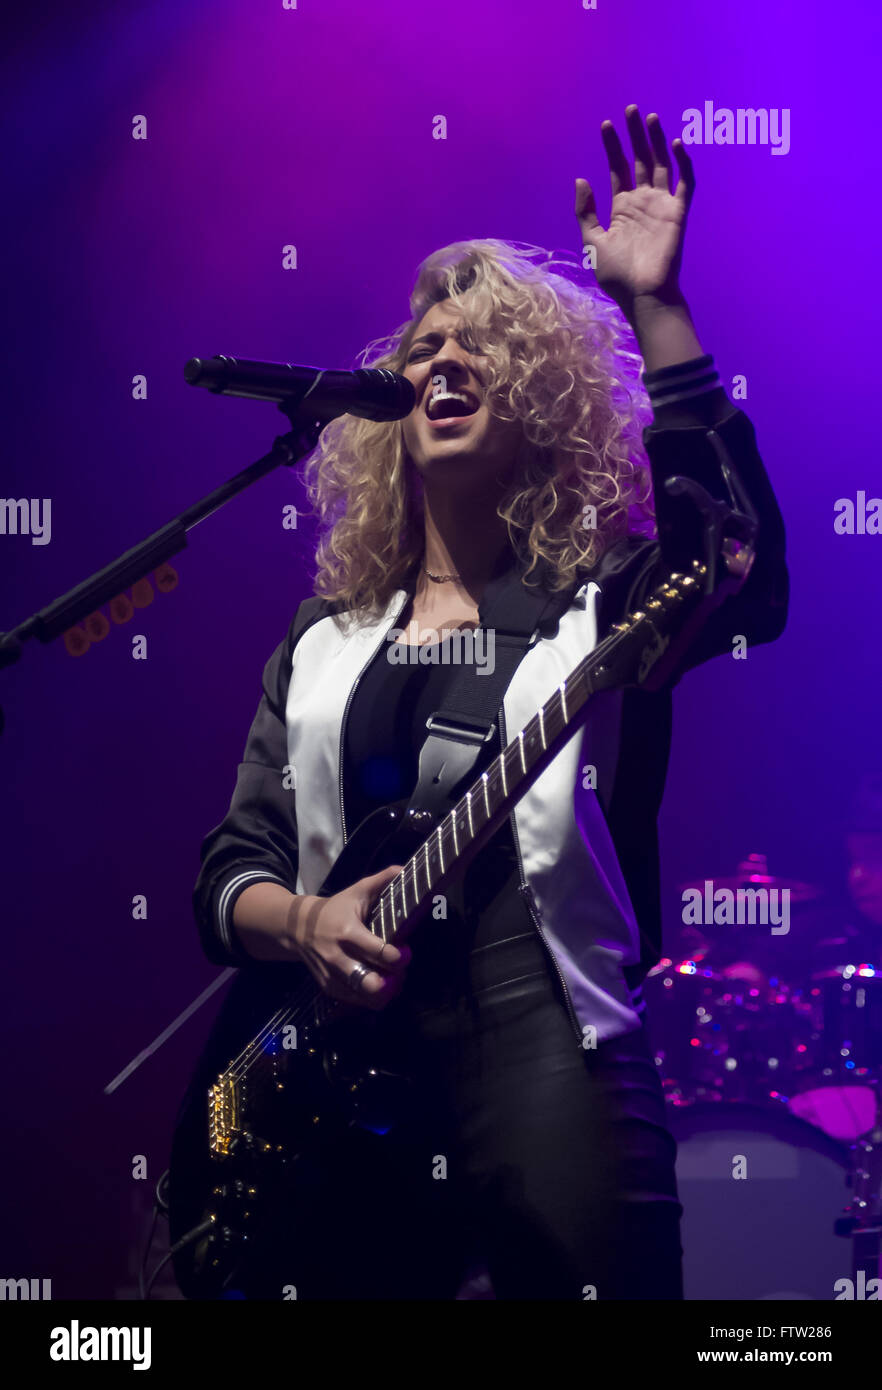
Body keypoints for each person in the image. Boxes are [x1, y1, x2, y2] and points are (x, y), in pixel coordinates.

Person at [180, 105, 788, 1300]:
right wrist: (300, 924)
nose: (443, 362)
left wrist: (656, 310)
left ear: (546, 402)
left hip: (544, 1030)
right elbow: (229, 869)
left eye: (483, 349)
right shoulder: (326, 640)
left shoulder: (605, 598)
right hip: (345, 1062)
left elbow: (747, 577)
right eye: (422, 349)